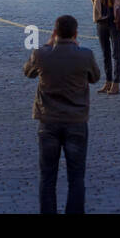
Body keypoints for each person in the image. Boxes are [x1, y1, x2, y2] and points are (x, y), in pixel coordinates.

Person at [23, 15, 101, 214]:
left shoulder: (41, 54)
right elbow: (95, 77)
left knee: (47, 177)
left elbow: (28, 72)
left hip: (48, 121)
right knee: (76, 177)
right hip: (76, 121)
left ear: (54, 33)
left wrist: (48, 46)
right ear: (76, 34)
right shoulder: (85, 55)